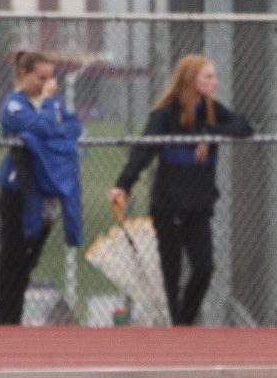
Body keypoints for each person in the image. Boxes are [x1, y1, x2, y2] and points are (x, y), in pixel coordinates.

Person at [108, 54, 252, 326]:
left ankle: (185, 320)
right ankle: (178, 326)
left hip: (199, 204)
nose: (215, 82)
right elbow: (144, 151)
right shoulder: (165, 114)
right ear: (191, 79)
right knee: (171, 270)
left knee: (204, 267)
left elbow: (244, 127)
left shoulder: (210, 110)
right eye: (208, 77)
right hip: (169, 203)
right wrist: (122, 184)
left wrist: (209, 134)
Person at [0, 51, 83, 325]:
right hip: (19, 192)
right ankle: (6, 321)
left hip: (46, 191)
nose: (48, 83)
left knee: (29, 260)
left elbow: (73, 127)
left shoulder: (52, 104)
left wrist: (49, 126)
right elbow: (40, 127)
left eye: (50, 77)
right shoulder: (14, 106)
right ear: (23, 75)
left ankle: (13, 318)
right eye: (41, 77)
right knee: (13, 259)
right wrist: (47, 107)